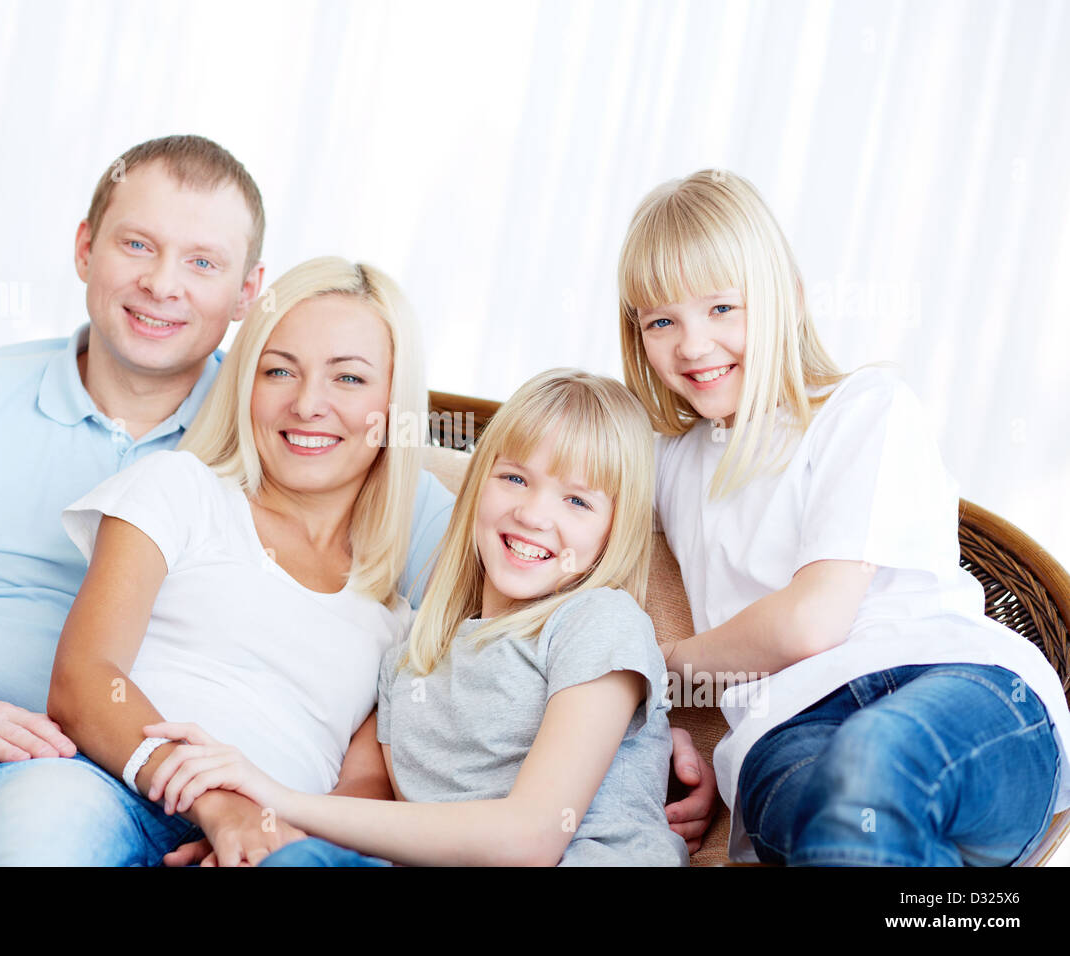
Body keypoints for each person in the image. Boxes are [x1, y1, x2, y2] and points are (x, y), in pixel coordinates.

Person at [0, 136, 455, 865]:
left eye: (202, 262)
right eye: (137, 244)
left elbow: (502, 561)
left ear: (247, 294)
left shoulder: (286, 429)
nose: (163, 285)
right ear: (85, 250)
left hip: (68, 764)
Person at [615, 168, 1070, 865]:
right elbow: (556, 503)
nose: (693, 346)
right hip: (785, 730)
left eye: (722, 309)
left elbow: (811, 621)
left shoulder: (865, 408)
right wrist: (643, 725)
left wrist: (665, 665)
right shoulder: (669, 463)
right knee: (840, 829)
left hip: (949, 683)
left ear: (786, 300)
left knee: (868, 767)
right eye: (662, 321)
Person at [0, 257, 433, 865]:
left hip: (266, 839)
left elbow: (364, 789)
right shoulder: (179, 488)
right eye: (279, 370)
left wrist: (270, 835)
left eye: (348, 379)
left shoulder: (399, 615)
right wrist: (220, 805)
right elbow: (85, 677)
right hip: (98, 787)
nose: (307, 404)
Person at [129, 369, 690, 867]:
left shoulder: (599, 622)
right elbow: (371, 806)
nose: (533, 514)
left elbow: (530, 839)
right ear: (476, 485)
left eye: (578, 501)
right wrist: (269, 833)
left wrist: (278, 797)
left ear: (616, 531)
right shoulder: (411, 656)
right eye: (515, 478)